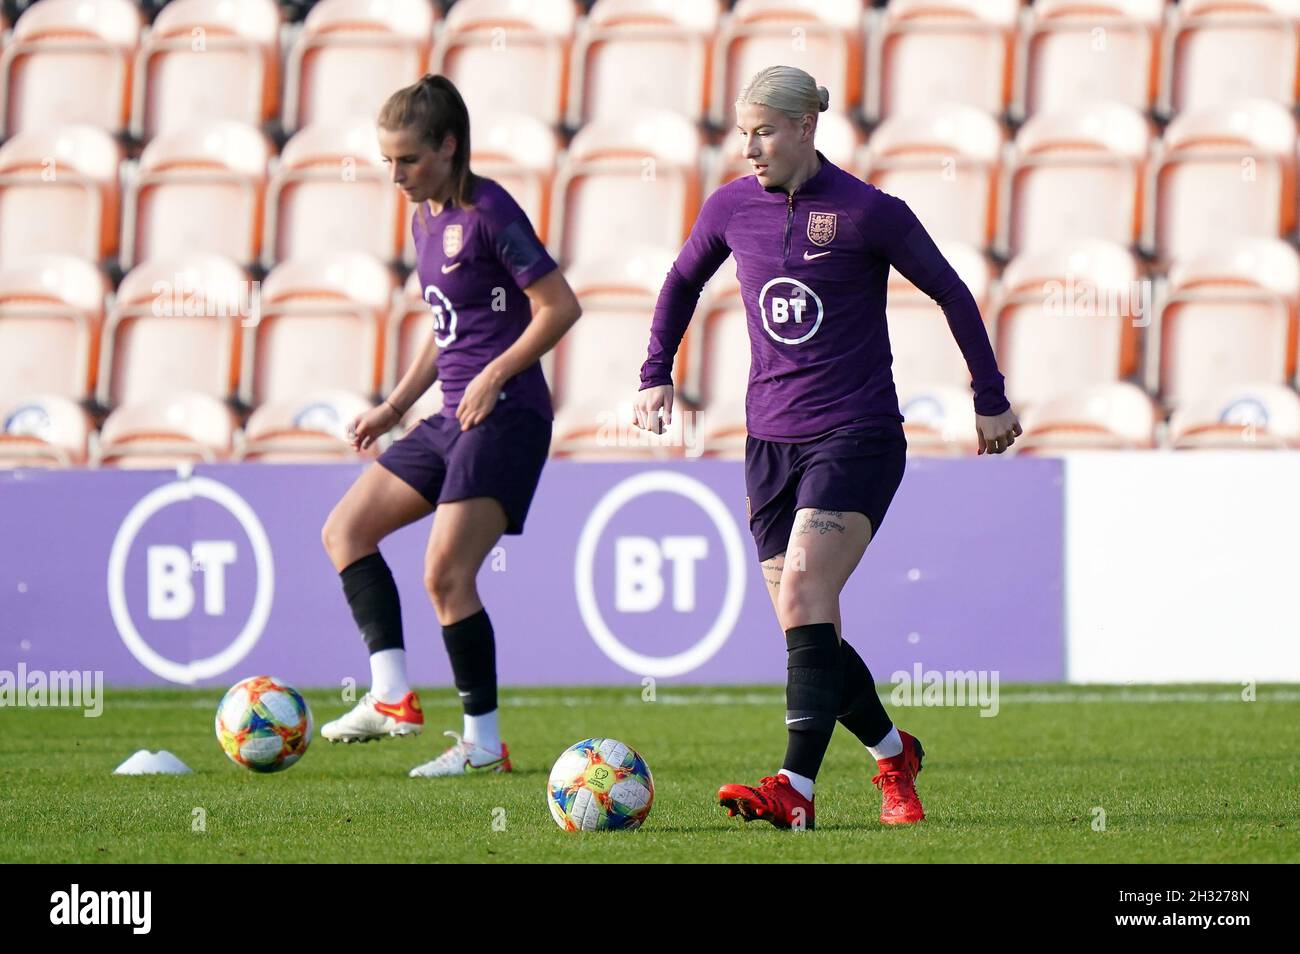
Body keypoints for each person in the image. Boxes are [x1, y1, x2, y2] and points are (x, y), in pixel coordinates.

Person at [633, 65, 1021, 829]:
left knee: (805, 589)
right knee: (810, 627)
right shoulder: (730, 208)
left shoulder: (867, 211)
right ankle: (892, 757)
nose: (749, 148)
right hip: (769, 441)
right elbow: (680, 282)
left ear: (807, 127)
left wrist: (989, 399)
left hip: (859, 434)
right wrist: (655, 374)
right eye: (742, 132)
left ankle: (795, 790)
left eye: (764, 131)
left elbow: (951, 290)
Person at [318, 74, 581, 778]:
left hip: (507, 416)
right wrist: (395, 407)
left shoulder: (492, 211)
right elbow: (448, 328)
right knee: (346, 530)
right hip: (451, 416)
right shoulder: (424, 219)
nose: (396, 175)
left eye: (408, 159)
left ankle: (482, 743)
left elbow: (559, 307)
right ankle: (391, 694)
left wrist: (496, 374)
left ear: (448, 145)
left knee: (445, 574)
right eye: (388, 161)